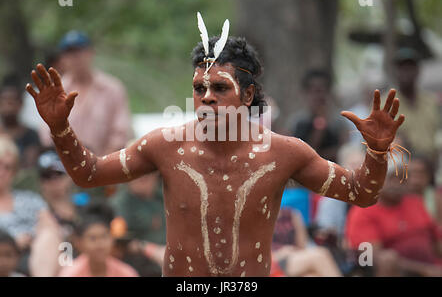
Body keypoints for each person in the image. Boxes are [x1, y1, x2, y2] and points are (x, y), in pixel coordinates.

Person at [26, 16, 405, 276]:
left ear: (248, 95)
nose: (207, 97)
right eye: (198, 88)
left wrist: (375, 153)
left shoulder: (285, 152)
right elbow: (88, 174)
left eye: (220, 88)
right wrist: (61, 128)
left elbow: (361, 193)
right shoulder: (166, 146)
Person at [38, 30, 132, 156]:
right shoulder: (56, 90)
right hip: (65, 165)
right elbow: (47, 135)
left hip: (106, 165)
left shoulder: (112, 89)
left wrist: (99, 165)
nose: (75, 58)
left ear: (91, 52)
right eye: (69, 53)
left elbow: (121, 133)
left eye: (79, 51)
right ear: (62, 58)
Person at [346, 168, 442, 276]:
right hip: (397, 269)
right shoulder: (363, 210)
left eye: (402, 179)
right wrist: (424, 270)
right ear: (376, 180)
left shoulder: (415, 201)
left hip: (431, 264)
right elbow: (373, 256)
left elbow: (437, 239)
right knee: (387, 259)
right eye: (391, 179)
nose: (397, 184)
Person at [58, 202, 139, 277]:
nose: (100, 244)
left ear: (112, 239)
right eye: (92, 238)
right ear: (79, 242)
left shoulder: (126, 273)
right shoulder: (71, 273)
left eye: (104, 237)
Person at [288, 69, 348, 163]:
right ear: (306, 93)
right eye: (314, 90)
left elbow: (345, 150)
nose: (318, 96)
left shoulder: (339, 121)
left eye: (321, 90)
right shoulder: (298, 122)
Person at [393, 47, 439, 163]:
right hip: (401, 167)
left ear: (418, 70)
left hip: (430, 164)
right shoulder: (386, 103)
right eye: (402, 68)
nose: (406, 72)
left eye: (410, 67)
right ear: (396, 71)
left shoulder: (431, 101)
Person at [272, 207, 342, 276]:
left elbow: (302, 244)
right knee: (320, 255)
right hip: (276, 260)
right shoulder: (263, 219)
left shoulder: (291, 214)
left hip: (297, 255)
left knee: (313, 275)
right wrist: (281, 253)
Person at [0, 73, 41, 169]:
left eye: (12, 100)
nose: (8, 104)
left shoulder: (31, 134)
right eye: (4, 100)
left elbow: (30, 165)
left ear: (21, 104)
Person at [407, 155, 442, 225]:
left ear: (429, 176)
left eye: (420, 173)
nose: (416, 179)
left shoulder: (436, 197)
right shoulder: (399, 198)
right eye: (413, 173)